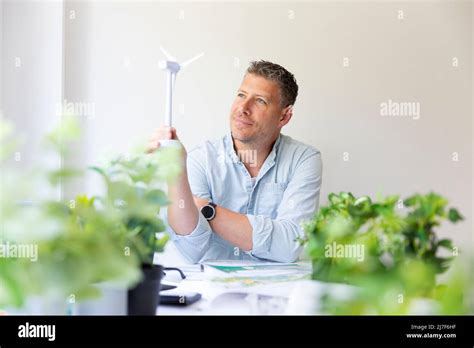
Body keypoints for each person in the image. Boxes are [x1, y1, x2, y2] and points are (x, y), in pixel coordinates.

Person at [147, 60, 322, 263]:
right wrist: (176, 174)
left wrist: (206, 209)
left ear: (284, 116)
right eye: (241, 95)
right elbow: (192, 248)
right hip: (210, 289)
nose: (243, 108)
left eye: (260, 101)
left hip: (274, 290)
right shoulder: (201, 159)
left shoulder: (304, 159)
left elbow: (289, 246)